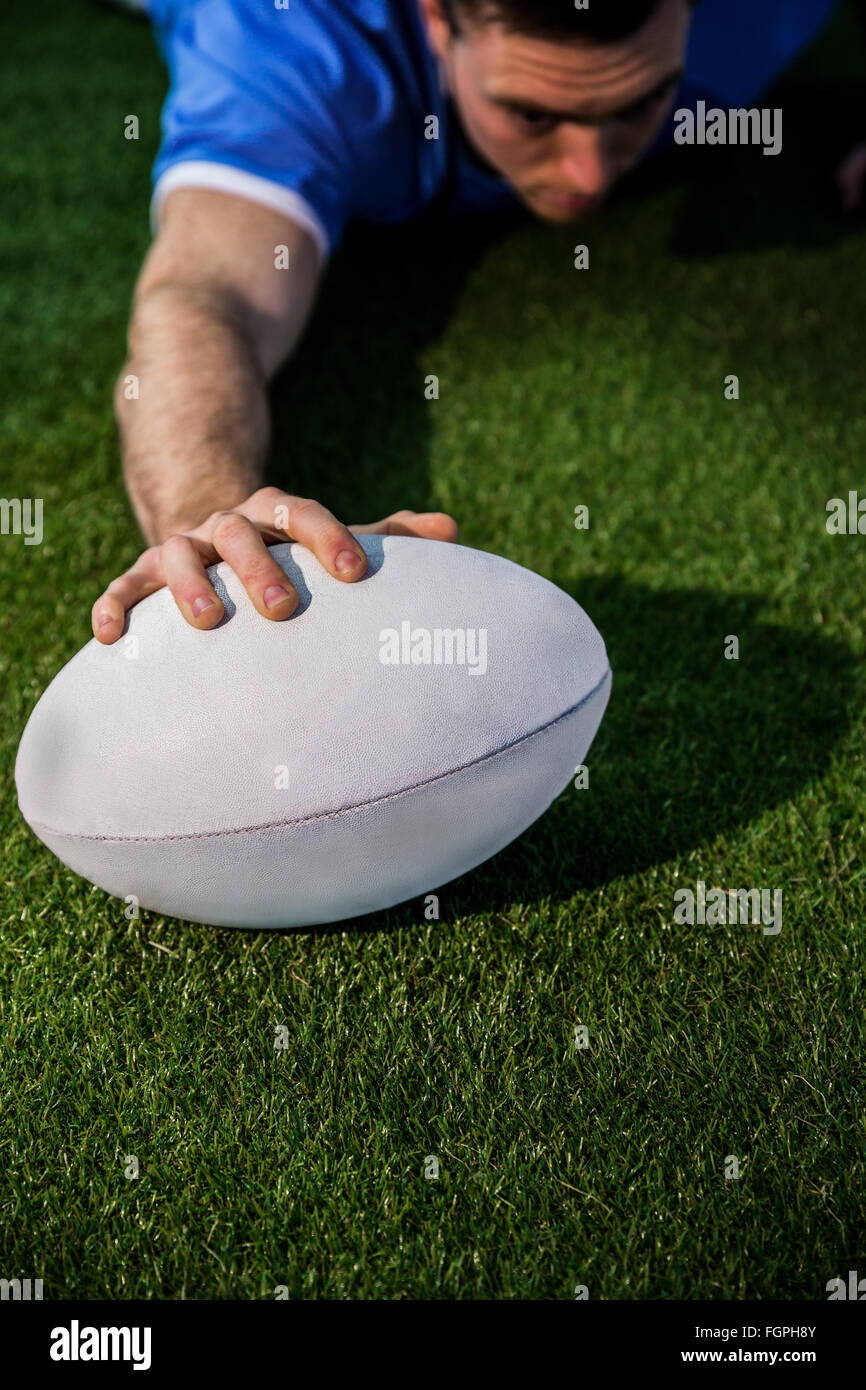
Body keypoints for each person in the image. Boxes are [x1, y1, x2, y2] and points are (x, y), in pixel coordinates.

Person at [93, 0, 851, 643]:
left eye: (639, 101)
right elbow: (206, 299)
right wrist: (211, 516)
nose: (588, 173)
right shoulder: (297, 45)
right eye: (531, 112)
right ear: (435, 20)